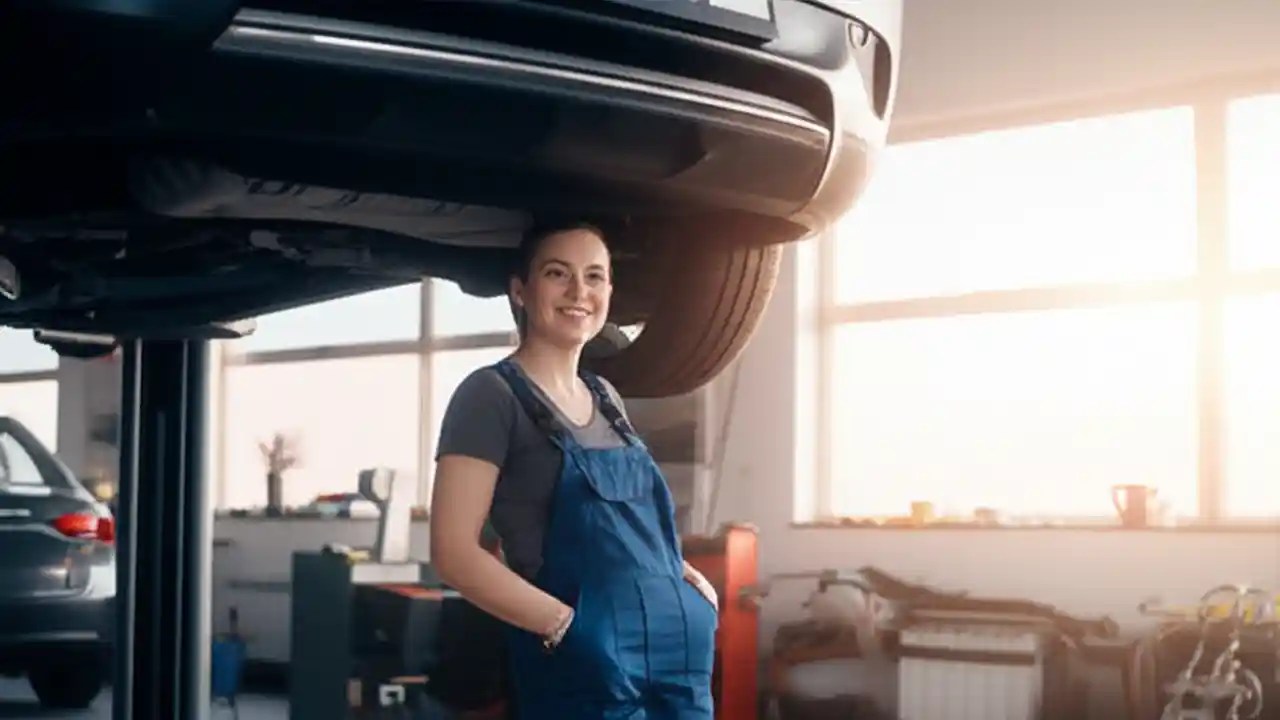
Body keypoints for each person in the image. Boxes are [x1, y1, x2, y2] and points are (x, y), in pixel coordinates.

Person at [429, 220, 720, 719]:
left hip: (678, 653)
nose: (579, 291)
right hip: (585, 654)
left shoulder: (607, 399)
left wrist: (687, 579)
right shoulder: (491, 396)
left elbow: (635, 530)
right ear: (520, 290)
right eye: (557, 273)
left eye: (594, 276)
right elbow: (453, 553)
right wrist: (564, 625)